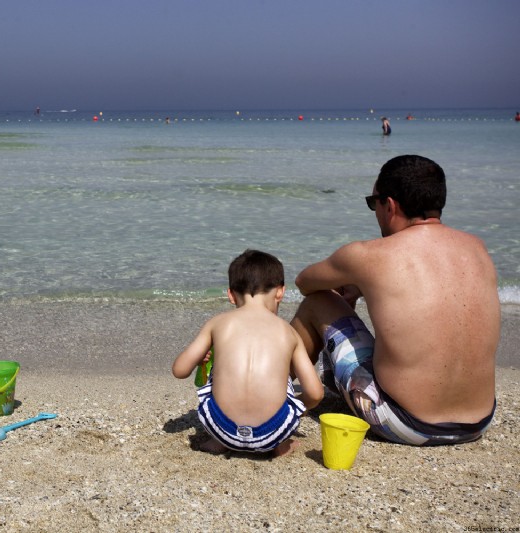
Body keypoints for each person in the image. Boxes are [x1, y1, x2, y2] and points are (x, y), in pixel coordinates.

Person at [290, 155, 499, 446]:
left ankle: (274, 390)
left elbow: (305, 283)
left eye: (372, 202)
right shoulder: (478, 249)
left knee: (318, 301)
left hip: (407, 424)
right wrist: (364, 286)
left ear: (389, 205)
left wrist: (353, 279)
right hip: (478, 422)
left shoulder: (369, 256)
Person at [173, 250, 324, 457]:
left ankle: (218, 442)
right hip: (273, 432)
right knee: (283, 379)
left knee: (217, 373)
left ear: (230, 294)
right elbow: (316, 393)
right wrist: (299, 407)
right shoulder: (289, 332)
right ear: (280, 293)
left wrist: (201, 359)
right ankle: (281, 445)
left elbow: (180, 370)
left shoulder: (218, 323)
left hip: (220, 428)